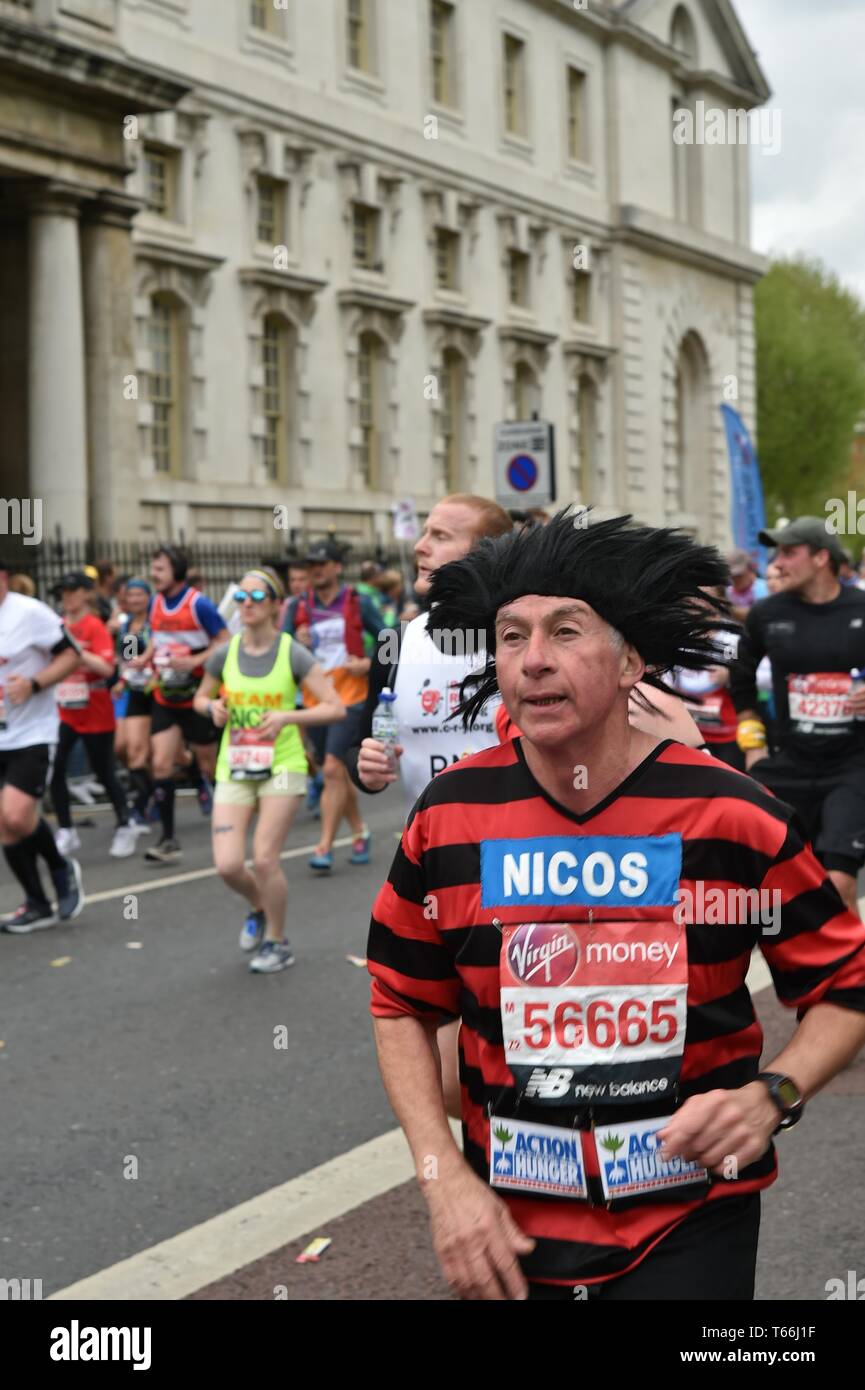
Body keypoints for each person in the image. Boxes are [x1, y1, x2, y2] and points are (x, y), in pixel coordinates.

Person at [367, 511, 865, 1300]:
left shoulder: (732, 816)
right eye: (510, 636)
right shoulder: (447, 818)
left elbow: (843, 986)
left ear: (631, 659)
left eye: (565, 632)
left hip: (690, 1213)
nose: (532, 662)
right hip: (507, 1222)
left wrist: (774, 1093)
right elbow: (399, 1001)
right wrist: (444, 1182)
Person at [354, 498, 705, 1118]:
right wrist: (372, 767)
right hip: (445, 861)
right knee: (443, 1054)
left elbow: (665, 752)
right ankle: (482, 1180)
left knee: (544, 1044)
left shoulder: (548, 640)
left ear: (489, 554)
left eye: (441, 534)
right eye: (425, 532)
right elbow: (378, 733)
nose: (420, 546)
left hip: (554, 862)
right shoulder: (395, 642)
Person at [194, 568, 345, 972]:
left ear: (276, 605)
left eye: (257, 597)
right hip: (235, 764)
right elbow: (199, 698)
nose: (246, 604)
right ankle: (259, 906)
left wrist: (286, 718)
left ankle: (277, 942)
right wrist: (212, 708)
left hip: (283, 764)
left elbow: (335, 707)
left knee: (264, 859)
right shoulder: (225, 653)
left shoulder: (291, 652)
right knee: (227, 865)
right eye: (240, 597)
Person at [730, 516, 865, 917]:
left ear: (822, 557)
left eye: (789, 552)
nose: (778, 562)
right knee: (779, 889)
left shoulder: (861, 608)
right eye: (777, 553)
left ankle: (852, 978)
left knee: (838, 882)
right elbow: (741, 678)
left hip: (852, 765)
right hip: (788, 764)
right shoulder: (766, 614)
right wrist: (753, 747)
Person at [283, 540, 387, 872]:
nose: (316, 569)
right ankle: (359, 831)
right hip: (315, 702)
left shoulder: (358, 601)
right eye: (312, 564)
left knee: (330, 769)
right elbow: (282, 651)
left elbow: (392, 642)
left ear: (337, 567)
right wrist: (296, 643)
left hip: (352, 700)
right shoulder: (299, 605)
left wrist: (369, 663)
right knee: (337, 774)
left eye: (323, 563)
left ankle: (324, 845)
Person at [0, 558, 84, 933]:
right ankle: (37, 902)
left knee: (16, 816)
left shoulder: (30, 613)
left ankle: (61, 866)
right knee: (5, 822)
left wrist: (32, 684)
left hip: (32, 733)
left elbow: (71, 655)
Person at [142, 546, 229, 864]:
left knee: (208, 765)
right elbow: (156, 638)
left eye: (160, 569)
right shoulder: (155, 602)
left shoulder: (198, 604)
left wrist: (192, 660)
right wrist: (144, 658)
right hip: (165, 696)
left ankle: (228, 821)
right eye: (153, 568)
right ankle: (168, 839)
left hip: (197, 697)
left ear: (177, 571)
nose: (154, 574)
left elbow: (224, 639)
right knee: (161, 764)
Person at [49, 572, 141, 858]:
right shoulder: (57, 626)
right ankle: (66, 830)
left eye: (72, 591)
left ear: (87, 594)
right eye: (63, 592)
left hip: (98, 707)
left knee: (105, 769)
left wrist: (77, 652)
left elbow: (109, 668)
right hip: (64, 710)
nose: (67, 597)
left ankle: (125, 823)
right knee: (56, 769)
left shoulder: (97, 626)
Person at [113, 577, 155, 827]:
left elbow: (160, 649)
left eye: (140, 595)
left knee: (147, 753)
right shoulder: (128, 625)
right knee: (124, 748)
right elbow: (129, 660)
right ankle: (150, 797)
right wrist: (123, 680)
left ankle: (142, 805)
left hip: (157, 690)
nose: (135, 599)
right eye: (131, 595)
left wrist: (147, 663)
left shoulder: (155, 623)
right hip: (136, 691)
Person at [726, 549, 768, 623]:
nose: (735, 579)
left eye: (739, 575)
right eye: (732, 576)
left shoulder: (764, 588)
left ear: (750, 569)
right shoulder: (728, 592)